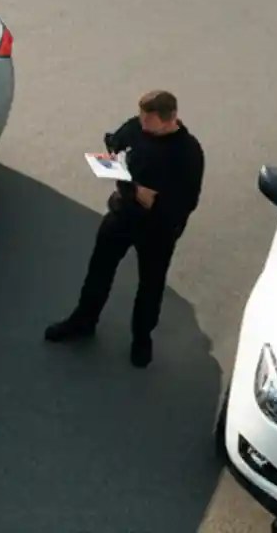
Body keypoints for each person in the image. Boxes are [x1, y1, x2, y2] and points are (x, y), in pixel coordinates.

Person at [44, 90, 205, 367]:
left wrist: (153, 202)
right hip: (122, 215)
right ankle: (84, 320)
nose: (142, 125)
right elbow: (115, 144)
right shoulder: (136, 126)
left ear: (171, 119)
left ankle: (142, 338)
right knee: (99, 270)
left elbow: (186, 201)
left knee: (150, 285)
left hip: (158, 231)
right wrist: (129, 185)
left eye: (149, 121)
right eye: (141, 118)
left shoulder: (188, 152)